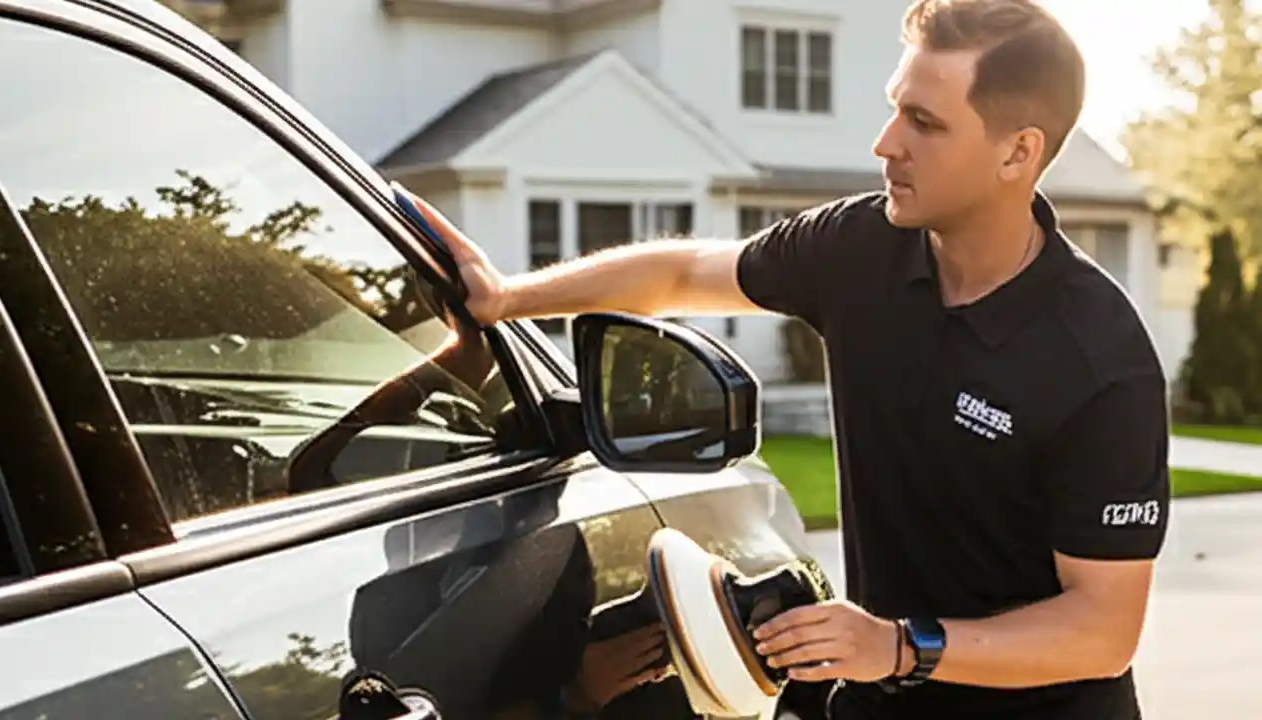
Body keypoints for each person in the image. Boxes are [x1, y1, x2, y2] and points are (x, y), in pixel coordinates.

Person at [403, 0, 1170, 716]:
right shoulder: (859, 248)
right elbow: (683, 274)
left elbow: (1102, 630)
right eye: (895, 106)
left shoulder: (1099, 359)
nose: (885, 143)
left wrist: (899, 646)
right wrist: (507, 298)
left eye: (924, 122)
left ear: (1017, 153)